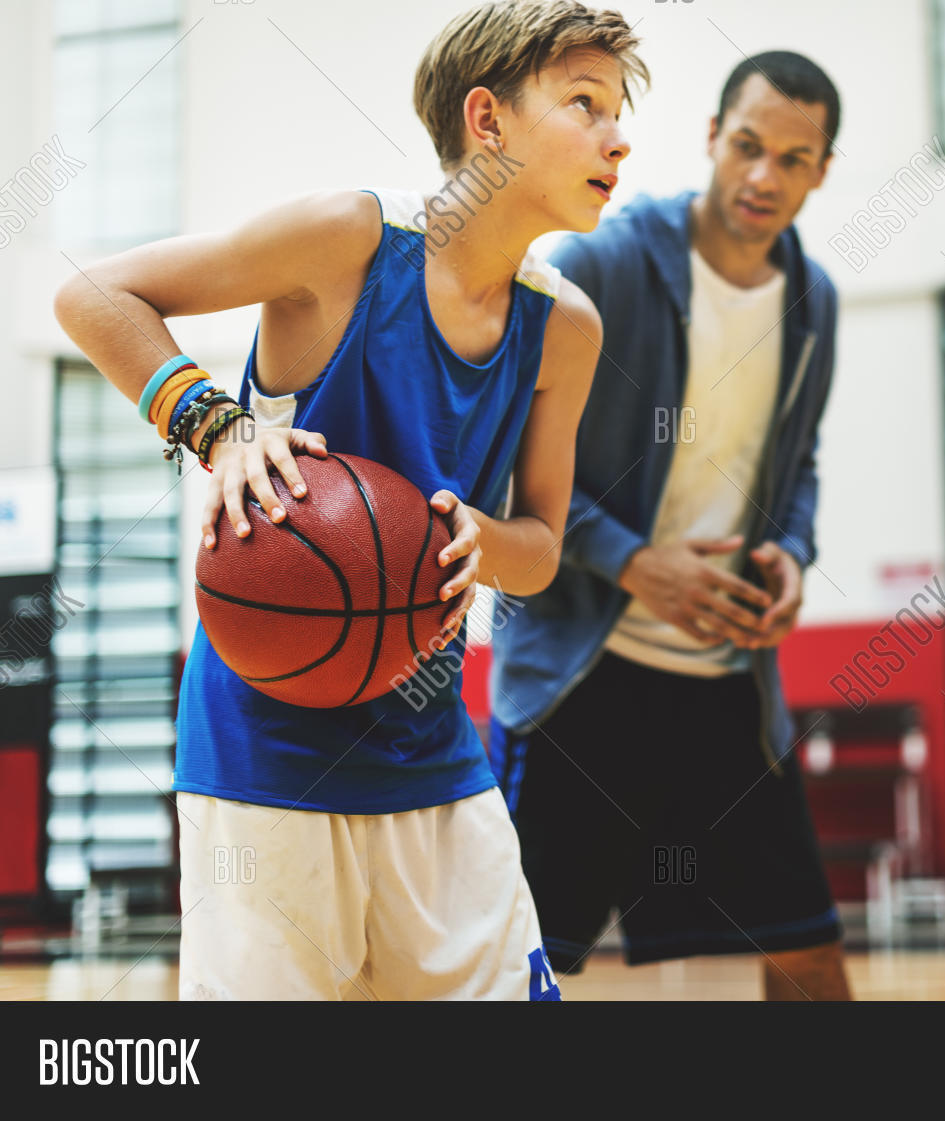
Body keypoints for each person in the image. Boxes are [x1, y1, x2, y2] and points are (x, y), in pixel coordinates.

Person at [52, 0, 646, 1001]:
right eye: (586, 102)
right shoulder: (347, 240)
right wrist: (220, 426)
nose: (617, 135)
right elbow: (93, 296)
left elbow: (542, 545)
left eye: (620, 110)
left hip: (429, 741)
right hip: (262, 742)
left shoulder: (567, 329)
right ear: (488, 120)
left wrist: (480, 538)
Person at [490, 51, 850, 999]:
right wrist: (636, 563)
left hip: (727, 688)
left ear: (822, 169)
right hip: (583, 681)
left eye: (794, 159)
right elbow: (502, 468)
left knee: (808, 960)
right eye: (748, 146)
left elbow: (799, 463)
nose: (764, 177)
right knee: (515, 968)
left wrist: (794, 553)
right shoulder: (599, 262)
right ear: (712, 140)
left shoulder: (817, 303)